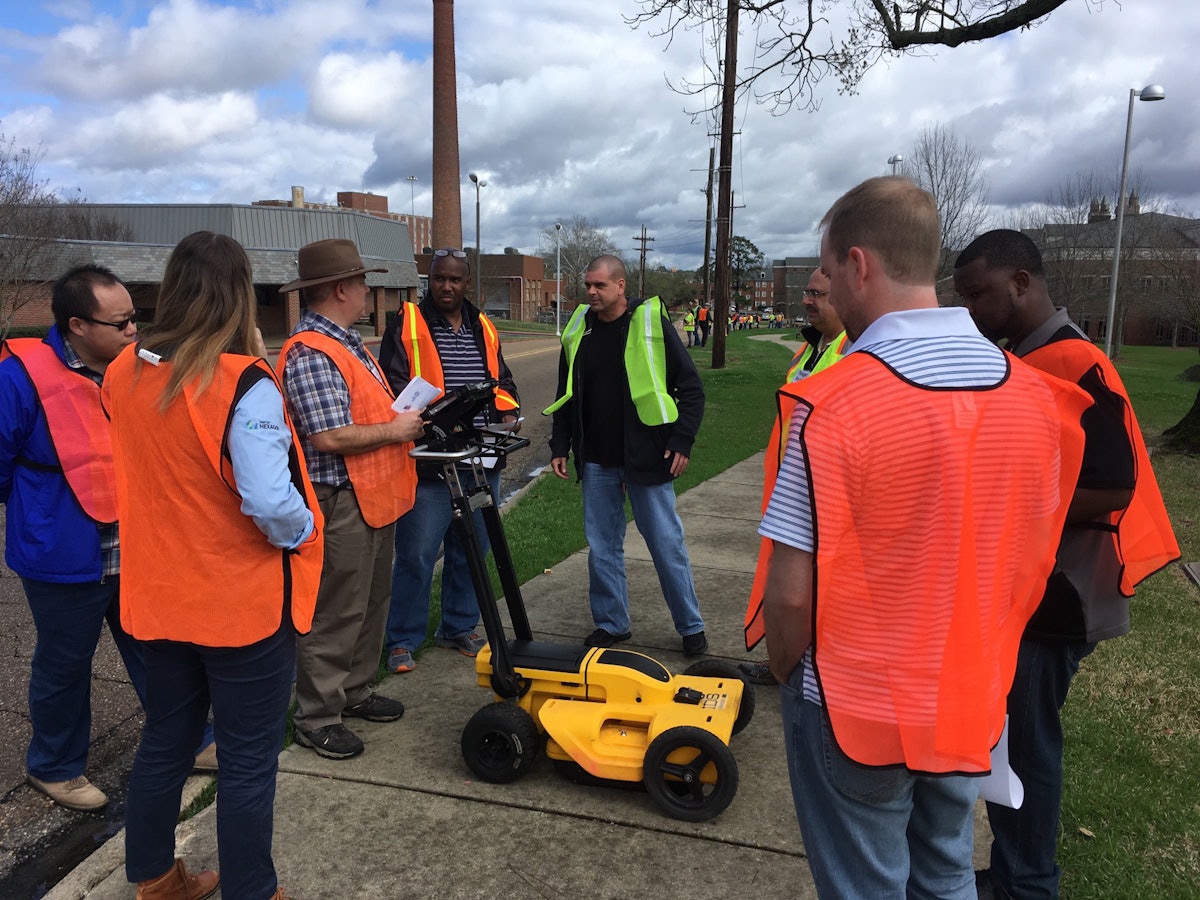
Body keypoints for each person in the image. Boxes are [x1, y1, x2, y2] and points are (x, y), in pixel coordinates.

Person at [756, 177, 1091, 898]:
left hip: (855, 705)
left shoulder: (832, 401)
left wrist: (789, 672)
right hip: (968, 694)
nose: (828, 290)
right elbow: (1027, 554)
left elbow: (789, 597)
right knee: (943, 873)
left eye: (828, 270)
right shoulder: (1037, 400)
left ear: (859, 263)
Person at [954, 229, 1180, 900]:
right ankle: (1018, 871)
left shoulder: (1073, 360)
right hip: (1032, 589)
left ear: (1022, 282)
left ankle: (1028, 885)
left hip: (1061, 594)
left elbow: (1116, 486)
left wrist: (1009, 499)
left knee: (1027, 746)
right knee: (1011, 742)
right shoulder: (1023, 354)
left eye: (979, 294)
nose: (970, 309)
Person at [105, 231, 324, 900]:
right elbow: (266, 498)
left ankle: (154, 879)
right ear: (239, 295)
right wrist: (305, 527)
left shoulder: (123, 372)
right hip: (240, 608)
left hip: (158, 599)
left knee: (165, 742)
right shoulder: (241, 384)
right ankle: (251, 891)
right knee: (249, 759)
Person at [0, 265, 151, 812]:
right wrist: (40, 508)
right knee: (64, 664)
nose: (135, 331)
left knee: (159, 651)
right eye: (122, 323)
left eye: (135, 319)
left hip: (134, 543)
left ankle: (188, 741)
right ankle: (55, 768)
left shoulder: (135, 367)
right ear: (77, 326)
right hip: (61, 551)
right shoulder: (19, 378)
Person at [277, 238, 424, 761]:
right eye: (362, 282)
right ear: (341, 289)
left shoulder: (347, 342)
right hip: (340, 501)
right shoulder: (312, 351)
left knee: (370, 602)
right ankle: (318, 715)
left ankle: (355, 691)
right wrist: (397, 427)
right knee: (336, 611)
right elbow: (329, 437)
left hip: (370, 496)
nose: (368, 290)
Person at [547, 255, 708, 655]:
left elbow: (691, 389)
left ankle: (691, 627)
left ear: (621, 286)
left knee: (665, 544)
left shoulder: (650, 324)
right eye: (588, 285)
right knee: (602, 547)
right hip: (598, 458)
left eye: (599, 285)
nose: (591, 293)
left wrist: (682, 441)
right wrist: (559, 445)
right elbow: (566, 394)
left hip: (647, 456)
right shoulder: (579, 330)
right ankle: (612, 624)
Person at [378, 248, 520, 674]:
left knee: (472, 547)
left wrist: (508, 411)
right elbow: (391, 381)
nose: (446, 286)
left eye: (455, 280)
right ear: (430, 280)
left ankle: (458, 626)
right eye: (439, 279)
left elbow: (503, 378)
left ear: (466, 283)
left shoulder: (484, 326)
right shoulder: (407, 324)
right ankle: (402, 638)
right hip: (430, 459)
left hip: (479, 457)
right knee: (418, 554)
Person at [739, 267, 849, 686]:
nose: (807, 301)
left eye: (817, 294)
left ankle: (810, 665)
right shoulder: (809, 350)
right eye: (807, 292)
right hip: (791, 488)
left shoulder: (852, 351)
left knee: (815, 585)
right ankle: (784, 658)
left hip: (825, 495)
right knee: (786, 579)